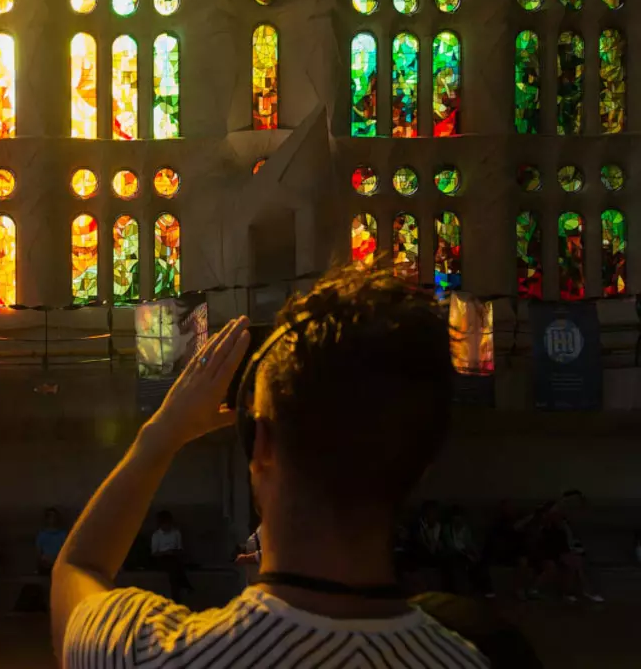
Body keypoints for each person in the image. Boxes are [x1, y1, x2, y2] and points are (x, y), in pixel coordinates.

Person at [53, 266, 496, 667]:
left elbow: (78, 568)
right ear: (421, 464)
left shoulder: (156, 656)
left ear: (261, 446)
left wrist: (161, 434)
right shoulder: (466, 661)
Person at [442, 506, 493, 597]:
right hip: (453, 554)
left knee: (480, 564)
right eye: (455, 518)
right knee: (457, 563)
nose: (458, 521)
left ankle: (486, 590)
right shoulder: (447, 529)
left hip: (465, 554)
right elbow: (449, 545)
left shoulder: (466, 530)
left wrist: (474, 554)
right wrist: (464, 552)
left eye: (459, 518)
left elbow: (470, 544)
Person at [150, 511, 192, 603]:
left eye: (168, 523)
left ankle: (176, 596)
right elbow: (154, 553)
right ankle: (186, 586)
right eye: (164, 524)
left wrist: (174, 552)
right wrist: (165, 552)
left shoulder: (176, 533)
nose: (166, 526)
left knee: (174, 569)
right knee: (173, 565)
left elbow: (180, 549)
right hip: (161, 559)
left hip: (174, 558)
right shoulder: (156, 535)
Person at [36, 508, 67, 576]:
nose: (52, 519)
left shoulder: (62, 534)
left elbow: (65, 551)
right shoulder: (42, 535)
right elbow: (39, 551)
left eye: (54, 516)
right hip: (45, 563)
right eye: (50, 516)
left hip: (58, 563)